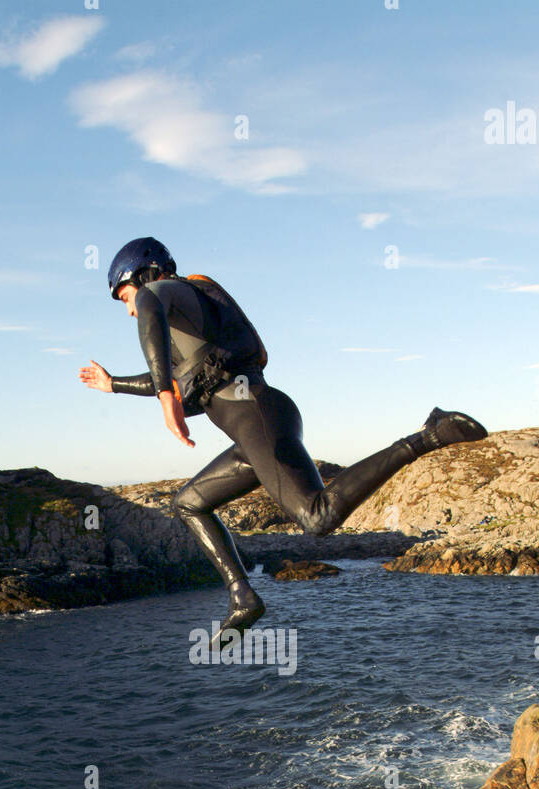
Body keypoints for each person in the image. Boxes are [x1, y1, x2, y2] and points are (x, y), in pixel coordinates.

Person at [80, 237, 488, 641]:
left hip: (260, 414)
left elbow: (152, 319)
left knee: (317, 517)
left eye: (125, 295)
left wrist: (167, 398)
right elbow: (168, 377)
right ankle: (242, 597)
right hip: (253, 428)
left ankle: (429, 435)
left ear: (147, 275)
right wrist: (112, 384)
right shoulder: (187, 322)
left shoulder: (165, 292)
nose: (129, 308)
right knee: (188, 503)